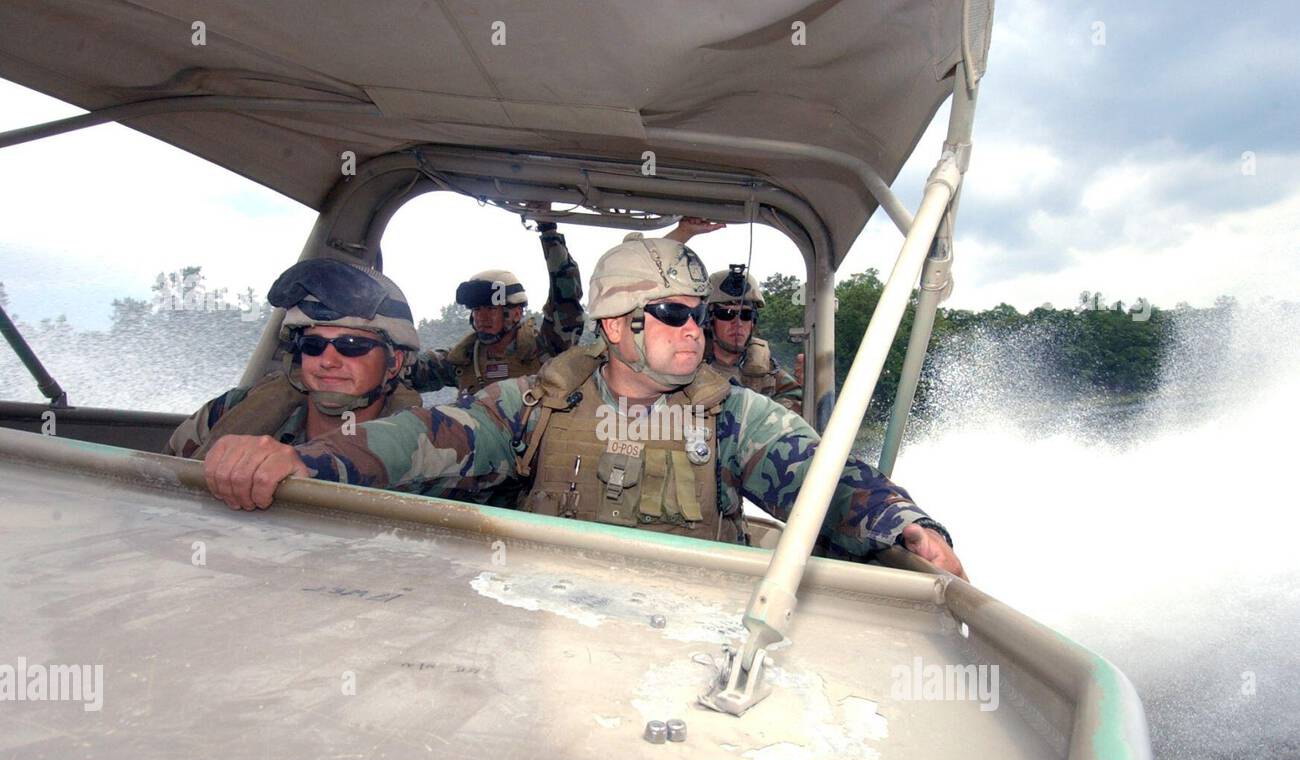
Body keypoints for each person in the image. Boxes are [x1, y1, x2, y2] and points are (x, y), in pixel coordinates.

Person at [197, 236, 965, 578]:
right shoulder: (530, 404)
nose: (693, 330)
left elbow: (823, 479)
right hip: (534, 616)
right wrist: (305, 459)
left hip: (691, 629)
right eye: (670, 315)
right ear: (614, 327)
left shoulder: (733, 415)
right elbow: (423, 440)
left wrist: (908, 527)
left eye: (696, 313)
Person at [164, 258, 421, 460]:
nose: (328, 360)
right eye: (313, 344)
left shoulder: (424, 447)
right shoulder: (230, 410)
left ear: (394, 362)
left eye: (351, 345)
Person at [408, 221, 586, 397]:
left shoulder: (545, 348)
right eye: (477, 309)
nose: (481, 317)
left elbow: (566, 297)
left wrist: (548, 231)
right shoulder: (462, 359)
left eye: (490, 309)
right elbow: (405, 370)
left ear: (515, 313)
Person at [704, 264, 802, 411]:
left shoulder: (765, 369)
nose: (737, 323)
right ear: (709, 319)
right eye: (727, 314)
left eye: (746, 315)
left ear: (753, 321)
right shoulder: (690, 364)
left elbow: (795, 398)